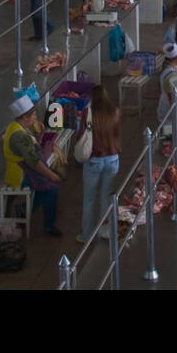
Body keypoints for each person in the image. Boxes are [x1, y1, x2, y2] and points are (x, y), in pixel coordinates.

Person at [3, 94, 62, 237]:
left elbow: (31, 146)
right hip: (21, 173)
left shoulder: (15, 127)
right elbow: (34, 162)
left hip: (24, 169)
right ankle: (44, 222)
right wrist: (51, 175)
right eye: (34, 115)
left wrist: (40, 135)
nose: (35, 117)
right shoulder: (19, 136)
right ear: (24, 117)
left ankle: (26, 210)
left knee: (47, 189)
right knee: (51, 189)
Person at [77, 85, 121, 244]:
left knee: (89, 199)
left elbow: (80, 135)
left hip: (94, 160)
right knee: (105, 197)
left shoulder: (88, 113)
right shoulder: (115, 112)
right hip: (112, 159)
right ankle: (104, 232)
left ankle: (87, 236)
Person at [155, 43, 177, 131]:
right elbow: (172, 96)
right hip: (169, 108)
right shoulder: (172, 75)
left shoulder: (171, 69)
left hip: (167, 103)